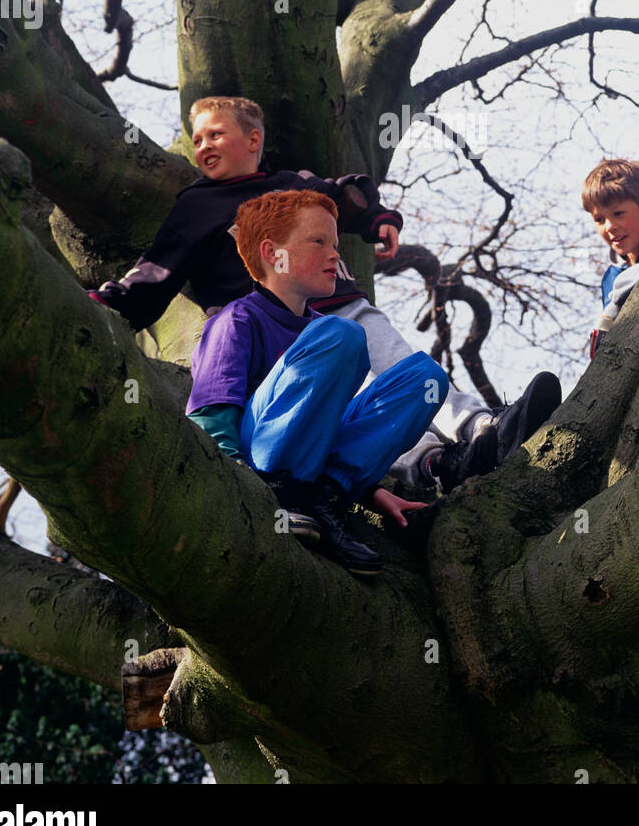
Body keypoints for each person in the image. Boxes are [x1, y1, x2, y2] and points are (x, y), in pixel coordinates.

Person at [90, 96, 561, 489]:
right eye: (196, 139)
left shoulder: (291, 185)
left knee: (405, 369)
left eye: (215, 134)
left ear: (254, 140)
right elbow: (158, 269)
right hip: (277, 332)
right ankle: (433, 466)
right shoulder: (197, 205)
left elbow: (341, 195)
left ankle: (483, 428)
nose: (203, 145)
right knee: (352, 404)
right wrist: (110, 304)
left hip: (340, 306)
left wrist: (377, 220)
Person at [186, 188, 448, 576]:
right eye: (319, 241)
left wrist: (373, 494)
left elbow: (330, 428)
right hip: (254, 465)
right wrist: (238, 488)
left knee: (426, 377)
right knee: (342, 334)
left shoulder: (320, 332)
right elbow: (210, 415)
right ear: (273, 254)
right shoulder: (235, 320)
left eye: (336, 244)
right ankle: (281, 487)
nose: (335, 254)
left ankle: (328, 495)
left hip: (313, 470)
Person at [582, 159, 639, 358]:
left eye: (618, 213)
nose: (609, 227)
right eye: (599, 219)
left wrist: (611, 310)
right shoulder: (611, 278)